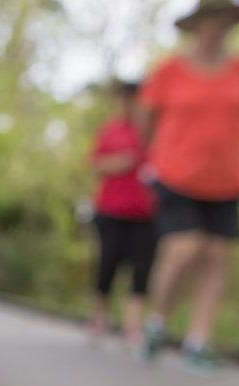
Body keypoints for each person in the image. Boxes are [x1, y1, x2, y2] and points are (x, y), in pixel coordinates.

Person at [139, 0, 239, 369]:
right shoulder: (169, 71)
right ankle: (158, 321)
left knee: (217, 258)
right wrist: (153, 163)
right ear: (196, 25)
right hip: (176, 174)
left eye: (225, 20)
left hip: (227, 178)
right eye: (211, 19)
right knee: (185, 248)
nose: (218, 27)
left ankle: (197, 341)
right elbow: (147, 122)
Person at [88, 81, 157, 345]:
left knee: (142, 269)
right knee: (108, 264)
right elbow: (95, 165)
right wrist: (118, 163)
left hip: (145, 213)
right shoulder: (110, 131)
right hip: (111, 210)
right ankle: (99, 318)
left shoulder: (150, 133)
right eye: (124, 99)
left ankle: (132, 326)